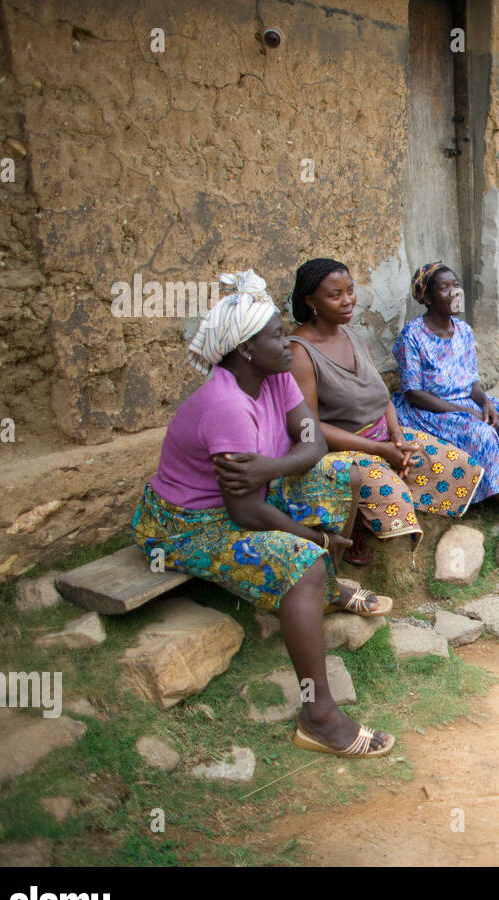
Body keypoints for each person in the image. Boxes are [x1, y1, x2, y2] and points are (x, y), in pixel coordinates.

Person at [132, 270, 396, 758]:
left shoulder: (273, 380)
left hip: (253, 496)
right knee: (306, 562)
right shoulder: (226, 405)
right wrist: (313, 541)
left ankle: (323, 591)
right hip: (188, 526)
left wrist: (272, 466)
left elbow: (312, 440)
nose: (287, 341)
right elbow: (246, 511)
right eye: (276, 335)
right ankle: (318, 716)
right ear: (245, 350)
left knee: (347, 476)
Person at [286, 258, 484, 566]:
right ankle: (353, 535)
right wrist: (380, 450)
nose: (347, 300)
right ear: (311, 300)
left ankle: (386, 508)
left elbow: (383, 396)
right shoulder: (300, 352)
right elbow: (310, 428)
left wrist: (396, 437)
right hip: (342, 450)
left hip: (383, 437)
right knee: (391, 495)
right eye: (335, 295)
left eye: (350, 291)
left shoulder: (351, 336)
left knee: (455, 463)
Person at [393, 262, 499, 554]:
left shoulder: (463, 330)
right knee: (482, 434)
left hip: (464, 403)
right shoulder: (413, 335)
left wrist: (485, 403)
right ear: (427, 296)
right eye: (444, 287)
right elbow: (414, 393)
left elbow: (471, 382)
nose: (454, 292)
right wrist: (466, 413)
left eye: (455, 285)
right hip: (428, 410)